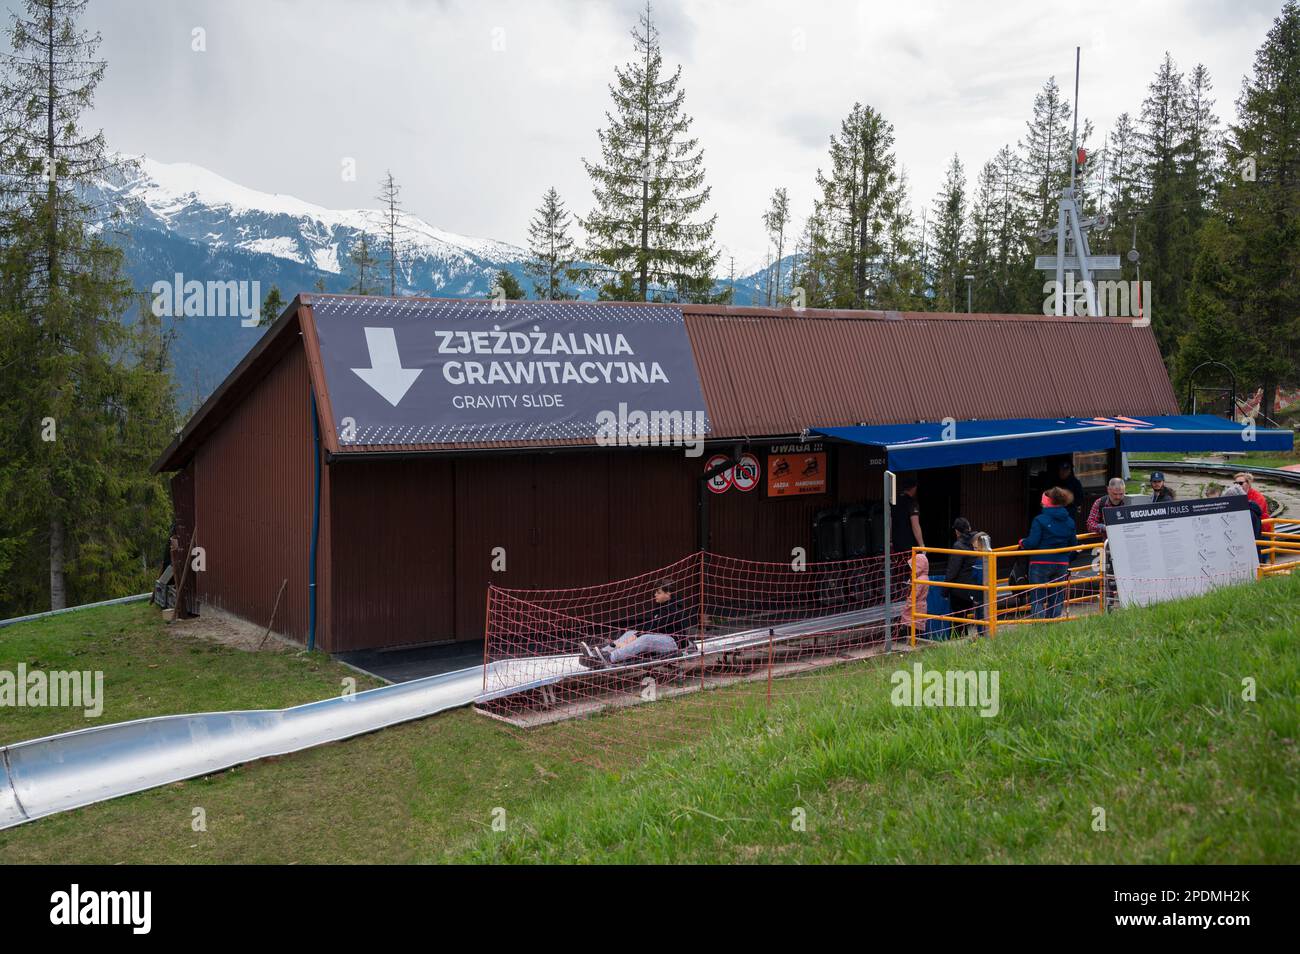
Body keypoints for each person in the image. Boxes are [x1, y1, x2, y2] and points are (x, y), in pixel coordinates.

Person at [579, 580, 693, 668]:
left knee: (645, 638)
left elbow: (653, 628)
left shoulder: (675, 609)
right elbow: (649, 626)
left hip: (674, 643)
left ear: (668, 594)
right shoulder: (661, 606)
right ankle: (599, 654)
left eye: (658, 592)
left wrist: (630, 641)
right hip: (661, 638)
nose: (655, 595)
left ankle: (609, 658)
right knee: (630, 633)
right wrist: (630, 638)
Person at [1020, 487, 1078, 619]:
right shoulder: (1069, 521)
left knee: (1037, 597)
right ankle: (1053, 623)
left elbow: (1032, 543)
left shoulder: (1040, 520)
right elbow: (1073, 544)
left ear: (1047, 502)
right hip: (1061, 562)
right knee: (1057, 596)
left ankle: (1039, 625)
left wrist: (1022, 542)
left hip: (1040, 562)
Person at [944, 518, 981, 635]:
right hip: (974, 588)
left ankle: (959, 639)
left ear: (957, 532)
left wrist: (944, 590)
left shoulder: (958, 546)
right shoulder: (977, 542)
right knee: (969, 617)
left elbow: (952, 571)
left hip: (960, 590)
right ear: (969, 528)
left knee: (958, 619)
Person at [898, 551, 929, 639]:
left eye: (913, 567)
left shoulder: (919, 580)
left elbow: (914, 595)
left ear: (919, 566)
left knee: (912, 627)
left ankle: (912, 642)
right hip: (921, 606)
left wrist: (907, 606)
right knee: (918, 627)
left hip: (915, 607)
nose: (911, 569)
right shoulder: (925, 577)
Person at [891, 475, 924, 551]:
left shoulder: (894, 502)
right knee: (912, 563)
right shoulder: (912, 503)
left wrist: (890, 540)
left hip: (896, 543)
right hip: (909, 544)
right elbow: (915, 525)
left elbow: (890, 521)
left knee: (900, 563)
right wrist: (922, 545)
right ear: (914, 488)